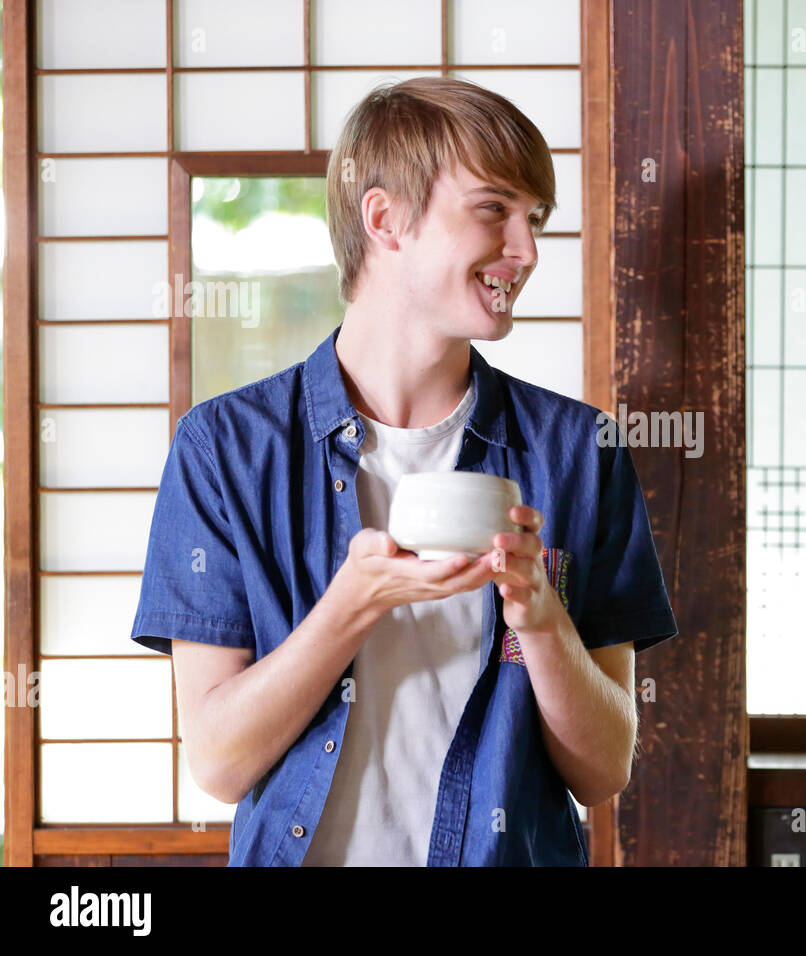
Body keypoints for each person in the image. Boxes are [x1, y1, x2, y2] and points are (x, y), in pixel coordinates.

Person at [130, 76, 678, 866]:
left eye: (536, 219)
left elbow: (601, 772)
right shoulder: (225, 449)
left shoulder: (579, 450)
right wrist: (352, 604)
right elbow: (219, 761)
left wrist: (540, 619)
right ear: (384, 218)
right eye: (494, 209)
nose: (525, 249)